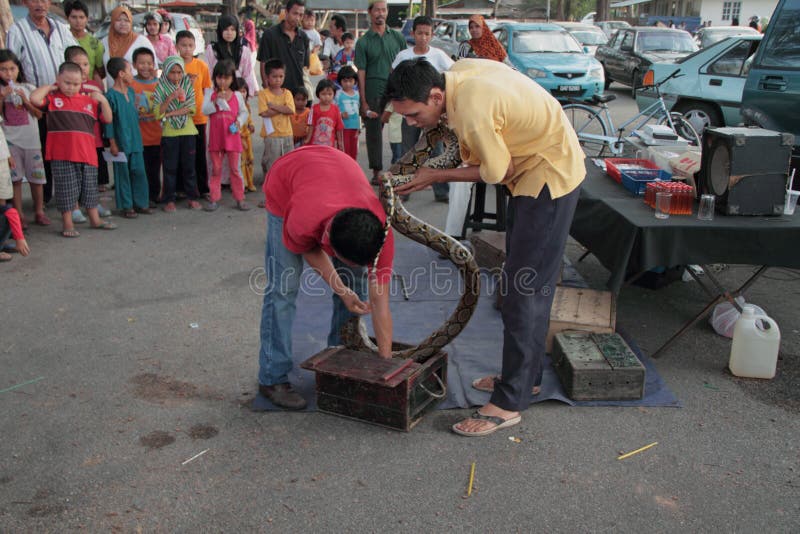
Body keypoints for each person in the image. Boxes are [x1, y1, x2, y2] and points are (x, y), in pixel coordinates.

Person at [386, 58, 585, 436]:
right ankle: (526, 378)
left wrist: (434, 175)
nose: (410, 123)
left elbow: (499, 172)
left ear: (435, 95)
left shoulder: (473, 109)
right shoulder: (459, 76)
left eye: (413, 114)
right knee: (525, 287)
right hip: (535, 165)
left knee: (521, 291)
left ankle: (510, 402)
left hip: (547, 177)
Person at [257, 145, 394, 409]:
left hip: (335, 169)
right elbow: (309, 248)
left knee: (357, 283)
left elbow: (380, 302)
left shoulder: (381, 233)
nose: (361, 266)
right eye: (349, 261)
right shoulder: (303, 219)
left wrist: (384, 368)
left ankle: (341, 358)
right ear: (329, 244)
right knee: (283, 290)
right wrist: (342, 290)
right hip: (286, 183)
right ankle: (272, 377)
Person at [30, 62, 116, 237]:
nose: (71, 87)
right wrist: (50, 87)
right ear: (58, 80)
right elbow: (34, 99)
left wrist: (103, 100)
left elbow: (107, 118)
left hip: (87, 154)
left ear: (82, 82)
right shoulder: (53, 99)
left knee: (90, 189)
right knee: (66, 190)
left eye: (75, 84)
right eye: (66, 83)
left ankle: (95, 220)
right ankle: (67, 223)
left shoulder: (89, 100)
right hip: (62, 154)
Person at [6, 0, 78, 204]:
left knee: (65, 148)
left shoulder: (62, 29)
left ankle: (69, 196)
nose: (40, 4)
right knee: (44, 148)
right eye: (34, 0)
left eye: (44, 0)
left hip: (65, 101)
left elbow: (74, 58)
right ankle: (44, 198)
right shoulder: (18, 30)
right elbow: (13, 68)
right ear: (25, 3)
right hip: (36, 102)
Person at [391, 15, 454, 203]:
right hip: (410, 113)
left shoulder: (439, 55)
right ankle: (404, 190)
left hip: (433, 115)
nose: (423, 37)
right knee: (408, 151)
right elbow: (394, 80)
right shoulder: (404, 56)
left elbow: (453, 73)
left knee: (436, 152)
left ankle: (441, 191)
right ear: (413, 33)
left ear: (432, 35)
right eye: (420, 33)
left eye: (427, 34)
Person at [355, 0, 406, 183]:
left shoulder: (397, 38)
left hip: (395, 92)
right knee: (374, 132)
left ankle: (400, 169)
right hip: (373, 91)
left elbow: (404, 63)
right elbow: (361, 71)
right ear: (370, 12)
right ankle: (376, 172)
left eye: (383, 10)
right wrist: (363, 100)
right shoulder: (363, 42)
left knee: (399, 131)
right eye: (377, 10)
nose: (381, 14)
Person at [0, 50, 49, 227]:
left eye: (12, 68)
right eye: (3, 69)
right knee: (16, 179)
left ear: (18, 69)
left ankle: (39, 211)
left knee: (37, 178)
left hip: (31, 141)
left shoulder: (28, 88)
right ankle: (19, 214)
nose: (8, 73)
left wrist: (25, 100)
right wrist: (3, 96)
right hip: (10, 142)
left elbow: (39, 114)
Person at [65, 46, 111, 216]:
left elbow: (104, 116)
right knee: (74, 176)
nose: (83, 68)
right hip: (72, 141)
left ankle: (92, 204)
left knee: (91, 175)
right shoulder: (64, 87)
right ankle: (74, 207)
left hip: (93, 139)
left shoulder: (94, 86)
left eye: (86, 64)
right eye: (78, 64)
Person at [153, 56, 200, 212]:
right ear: (165, 72)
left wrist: (169, 114)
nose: (176, 76)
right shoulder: (160, 87)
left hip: (188, 130)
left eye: (179, 72)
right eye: (172, 72)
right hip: (169, 133)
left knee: (189, 167)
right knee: (169, 167)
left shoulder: (186, 85)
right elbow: (158, 112)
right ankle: (169, 199)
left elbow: (191, 108)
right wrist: (171, 97)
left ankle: (192, 198)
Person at [104, 58, 150, 219]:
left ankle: (141, 202)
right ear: (121, 74)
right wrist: (112, 142)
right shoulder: (110, 96)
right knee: (122, 174)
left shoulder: (130, 92)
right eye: (130, 71)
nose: (132, 74)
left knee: (139, 171)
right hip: (121, 140)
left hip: (135, 139)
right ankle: (126, 205)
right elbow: (108, 122)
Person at [202, 60, 250, 212]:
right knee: (215, 168)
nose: (222, 81)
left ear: (232, 79)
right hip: (216, 138)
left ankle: (239, 198)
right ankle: (214, 197)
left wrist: (239, 122)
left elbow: (244, 112)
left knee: (235, 169)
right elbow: (205, 110)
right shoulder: (210, 93)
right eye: (219, 77)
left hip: (232, 137)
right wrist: (215, 100)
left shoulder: (237, 95)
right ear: (215, 77)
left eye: (226, 78)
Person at [176, 31, 211, 198]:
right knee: (182, 153)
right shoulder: (174, 66)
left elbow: (206, 89)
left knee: (199, 153)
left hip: (198, 117)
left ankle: (203, 187)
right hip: (179, 117)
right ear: (177, 47)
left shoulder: (201, 66)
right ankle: (181, 188)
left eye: (190, 45)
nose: (187, 49)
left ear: (195, 46)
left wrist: (206, 109)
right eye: (183, 45)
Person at [130, 47, 162, 207]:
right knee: (140, 170)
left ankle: (155, 195)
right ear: (134, 64)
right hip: (139, 138)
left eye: (149, 63)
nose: (145, 66)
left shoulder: (159, 84)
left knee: (155, 169)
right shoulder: (131, 84)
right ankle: (142, 197)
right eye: (141, 63)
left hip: (157, 135)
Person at [257, 0, 309, 93]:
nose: (297, 18)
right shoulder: (270, 35)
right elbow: (263, 63)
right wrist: (267, 88)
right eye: (295, 13)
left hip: (298, 94)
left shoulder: (303, 37)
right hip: (276, 91)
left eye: (301, 15)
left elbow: (305, 68)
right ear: (286, 12)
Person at [205, 15, 258, 98]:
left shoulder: (244, 51)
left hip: (239, 93)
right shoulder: (212, 49)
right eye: (226, 29)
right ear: (220, 30)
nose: (229, 33)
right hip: (219, 93)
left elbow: (248, 73)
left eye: (232, 29)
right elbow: (208, 72)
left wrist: (248, 92)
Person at [258, 59, 295, 177]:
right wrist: (282, 108)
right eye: (274, 76)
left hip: (287, 133)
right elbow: (264, 113)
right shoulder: (263, 94)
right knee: (271, 161)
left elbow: (290, 110)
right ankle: (271, 182)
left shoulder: (287, 93)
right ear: (267, 77)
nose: (278, 79)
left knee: (288, 161)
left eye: (281, 76)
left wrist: (273, 107)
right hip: (271, 135)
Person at [101, 6, 155, 86]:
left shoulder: (142, 41)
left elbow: (154, 68)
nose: (123, 23)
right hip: (113, 93)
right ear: (112, 21)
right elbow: (100, 71)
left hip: (138, 93)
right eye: (118, 20)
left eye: (126, 20)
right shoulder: (104, 42)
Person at [65, 0, 106, 85]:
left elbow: (100, 72)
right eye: (74, 17)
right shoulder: (60, 39)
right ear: (67, 18)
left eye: (81, 17)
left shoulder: (95, 43)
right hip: (66, 87)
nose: (78, 21)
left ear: (87, 19)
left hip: (87, 89)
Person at [305, 79, 344, 150]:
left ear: (334, 94)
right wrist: (307, 140)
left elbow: (339, 128)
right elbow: (311, 125)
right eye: (323, 94)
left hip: (330, 146)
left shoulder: (336, 109)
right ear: (318, 94)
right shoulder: (314, 108)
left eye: (330, 94)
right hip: (315, 145)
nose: (327, 97)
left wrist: (340, 143)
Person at [335, 66, 360, 160]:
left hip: (355, 127)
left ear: (355, 81)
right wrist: (340, 115)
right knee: (344, 151)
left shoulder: (357, 94)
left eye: (351, 81)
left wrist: (359, 126)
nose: (348, 84)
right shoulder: (338, 94)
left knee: (354, 151)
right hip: (343, 128)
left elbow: (359, 110)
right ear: (340, 81)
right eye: (345, 81)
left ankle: (352, 170)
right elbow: (333, 109)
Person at [236, 77, 256, 193]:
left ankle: (250, 182)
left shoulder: (247, 106)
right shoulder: (234, 107)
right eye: (239, 91)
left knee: (250, 159)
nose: (242, 94)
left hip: (248, 137)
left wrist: (251, 125)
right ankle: (243, 184)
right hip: (239, 137)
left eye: (244, 91)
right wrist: (238, 136)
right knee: (241, 161)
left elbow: (249, 119)